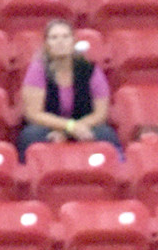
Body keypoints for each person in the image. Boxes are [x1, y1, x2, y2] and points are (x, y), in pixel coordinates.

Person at [16, 18, 121, 159]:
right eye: (54, 38)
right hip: (49, 126)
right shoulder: (37, 70)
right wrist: (69, 126)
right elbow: (33, 114)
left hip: (84, 125)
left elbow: (100, 113)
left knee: (105, 134)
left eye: (65, 37)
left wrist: (70, 131)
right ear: (46, 44)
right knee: (31, 135)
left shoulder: (90, 70)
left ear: (73, 42)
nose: (60, 42)